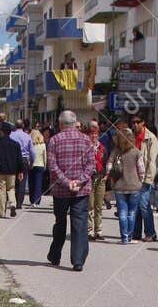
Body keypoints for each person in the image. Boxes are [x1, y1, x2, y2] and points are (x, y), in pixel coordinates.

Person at [46, 110, 96, 271]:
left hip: (61, 190)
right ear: (75, 123)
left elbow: (52, 166)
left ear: (61, 124)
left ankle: (55, 255)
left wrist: (67, 182)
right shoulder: (86, 140)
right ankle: (78, 260)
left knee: (60, 222)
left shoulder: (54, 140)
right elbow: (91, 165)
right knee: (79, 224)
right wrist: (79, 181)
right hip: (81, 190)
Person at [108, 125, 144, 243]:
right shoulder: (136, 151)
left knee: (122, 212)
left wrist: (111, 178)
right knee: (132, 212)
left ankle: (124, 238)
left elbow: (109, 167)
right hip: (134, 186)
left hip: (119, 186)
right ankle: (130, 236)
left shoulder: (115, 151)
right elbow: (141, 170)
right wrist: (140, 181)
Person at [131, 115, 158, 242]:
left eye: (138, 122)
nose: (135, 124)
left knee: (144, 205)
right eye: (133, 122)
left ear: (143, 122)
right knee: (136, 206)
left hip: (144, 178)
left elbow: (152, 161)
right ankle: (136, 233)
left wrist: (148, 178)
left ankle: (150, 233)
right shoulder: (131, 136)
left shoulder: (150, 138)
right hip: (133, 177)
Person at [0, 121, 24, 218]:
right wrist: (20, 171)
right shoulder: (15, 144)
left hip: (0, 171)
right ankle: (13, 203)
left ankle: (2, 212)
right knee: (11, 188)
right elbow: (19, 159)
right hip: (12, 171)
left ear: (2, 132)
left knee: (1, 191)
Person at [86, 120, 107, 240]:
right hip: (89, 178)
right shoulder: (85, 147)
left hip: (100, 177)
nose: (94, 136)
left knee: (99, 206)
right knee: (90, 206)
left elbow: (107, 161)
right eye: (91, 133)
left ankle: (98, 231)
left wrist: (107, 174)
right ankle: (89, 230)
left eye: (95, 134)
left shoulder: (102, 148)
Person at [11, 120, 34, 210]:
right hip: (24, 160)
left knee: (13, 181)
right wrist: (32, 162)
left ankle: (13, 200)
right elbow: (32, 152)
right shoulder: (27, 136)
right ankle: (19, 203)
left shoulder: (11, 135)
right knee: (22, 182)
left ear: (15, 125)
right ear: (23, 126)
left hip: (13, 159)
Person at [28, 127, 47, 206]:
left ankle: (32, 199)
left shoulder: (30, 145)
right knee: (38, 184)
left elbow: (29, 156)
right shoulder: (43, 145)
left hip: (31, 165)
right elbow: (44, 157)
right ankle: (37, 201)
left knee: (31, 183)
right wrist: (45, 165)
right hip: (40, 165)